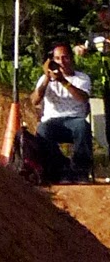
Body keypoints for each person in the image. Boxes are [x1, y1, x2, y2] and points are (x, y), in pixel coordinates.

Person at [34, 42, 94, 182]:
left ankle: (80, 171)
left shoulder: (82, 78)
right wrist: (47, 79)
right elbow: (34, 100)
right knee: (42, 130)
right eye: (57, 58)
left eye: (65, 57)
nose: (61, 61)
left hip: (74, 119)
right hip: (52, 120)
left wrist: (63, 81)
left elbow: (83, 98)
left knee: (82, 126)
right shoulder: (45, 79)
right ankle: (61, 168)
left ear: (71, 58)